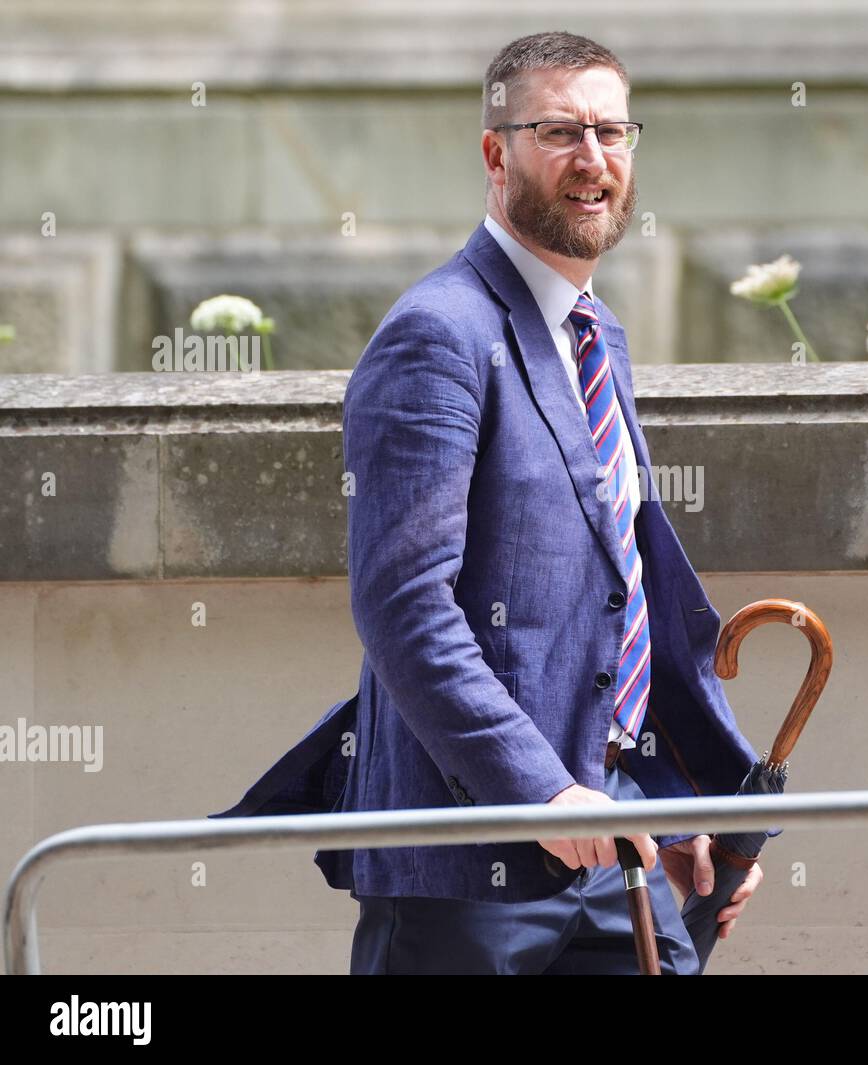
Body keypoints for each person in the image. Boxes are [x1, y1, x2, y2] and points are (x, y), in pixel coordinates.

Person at [210, 30, 775, 975]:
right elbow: (404, 606)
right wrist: (539, 795)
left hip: (615, 839)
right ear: (495, 152)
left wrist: (674, 797)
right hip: (467, 868)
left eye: (613, 132)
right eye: (559, 132)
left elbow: (619, 590)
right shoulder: (437, 334)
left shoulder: (598, 337)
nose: (593, 160)